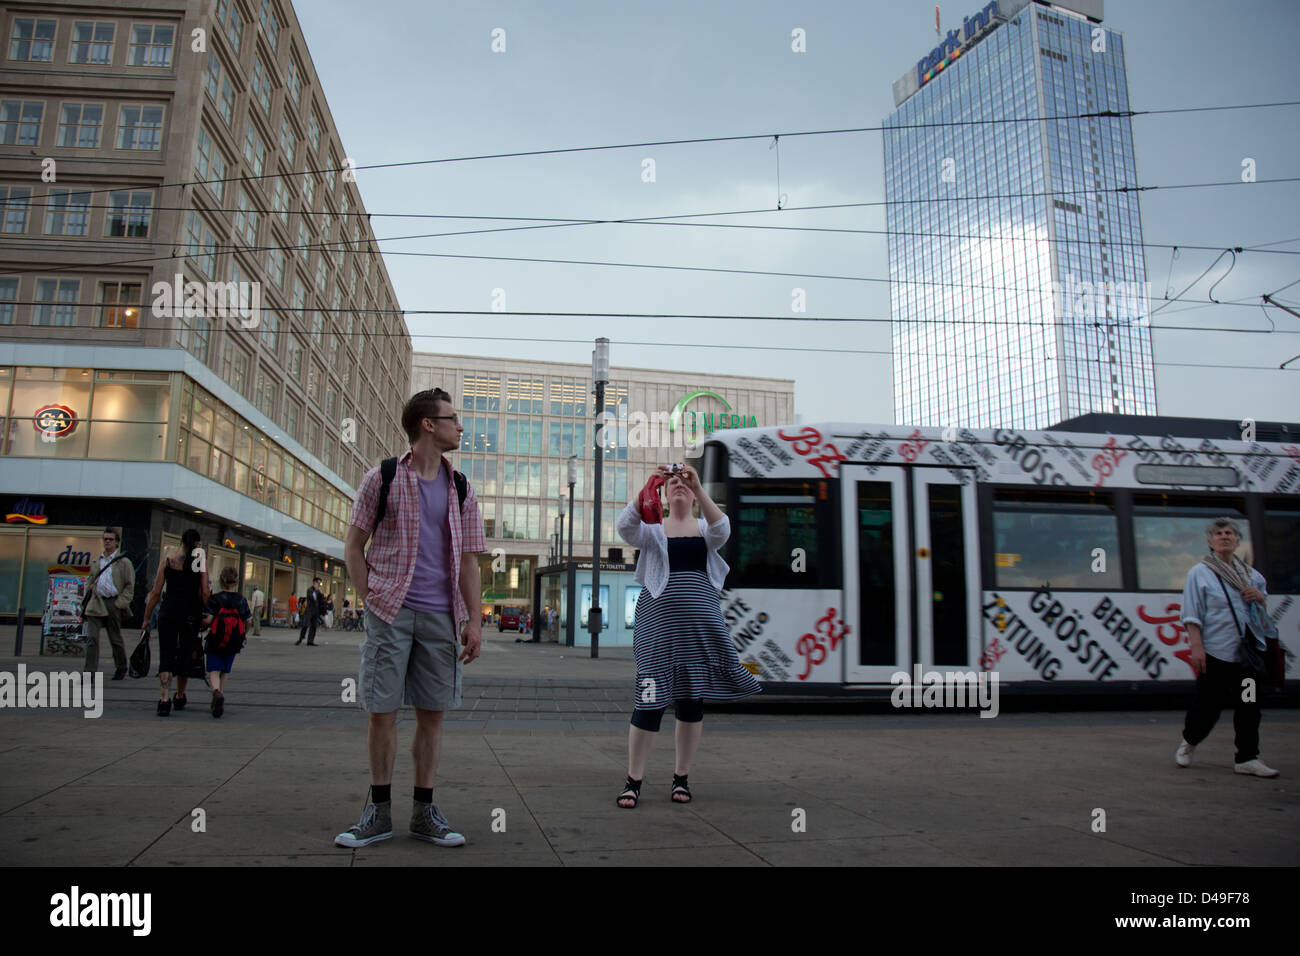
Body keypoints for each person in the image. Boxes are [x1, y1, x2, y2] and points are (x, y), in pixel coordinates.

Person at [335, 387, 486, 849]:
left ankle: (424, 812)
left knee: (432, 716)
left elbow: (468, 562)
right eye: (452, 418)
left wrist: (474, 621)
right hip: (391, 613)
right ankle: (378, 813)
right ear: (427, 425)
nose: (460, 426)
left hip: (442, 616)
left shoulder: (461, 487)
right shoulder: (380, 478)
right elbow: (353, 546)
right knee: (381, 712)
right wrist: (373, 600)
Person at [614, 464, 760, 807]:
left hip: (699, 632)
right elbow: (624, 527)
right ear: (664, 495)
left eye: (685, 484)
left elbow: (723, 529)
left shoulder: (706, 527)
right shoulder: (652, 530)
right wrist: (648, 485)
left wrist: (698, 484)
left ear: (694, 494)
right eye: (673, 484)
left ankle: (682, 778)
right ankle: (633, 780)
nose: (679, 486)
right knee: (648, 700)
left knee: (691, 702)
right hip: (657, 631)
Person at [1177, 517, 1279, 777]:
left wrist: (1260, 599)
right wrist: (1196, 646)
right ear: (1210, 542)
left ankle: (1247, 758)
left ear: (1237, 541)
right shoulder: (1199, 573)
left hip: (1247, 656)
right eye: (1219, 533)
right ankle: (1189, 742)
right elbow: (1191, 613)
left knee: (1249, 706)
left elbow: (1261, 609)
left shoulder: (1252, 575)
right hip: (1216, 653)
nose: (1225, 536)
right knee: (1207, 708)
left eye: (1230, 533)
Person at [141, 529, 210, 716]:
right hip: (190, 615)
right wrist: (207, 611)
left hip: (168, 612)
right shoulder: (198, 563)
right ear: (197, 544)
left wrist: (146, 618)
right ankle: (180, 695)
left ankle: (164, 699)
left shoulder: (168, 561)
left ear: (181, 542)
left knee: (167, 655)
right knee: (185, 654)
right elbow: (205, 592)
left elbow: (155, 593)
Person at [82, 526, 135, 681]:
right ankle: (89, 672)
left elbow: (130, 585)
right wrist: (90, 590)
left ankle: (121, 665)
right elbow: (90, 580)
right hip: (96, 602)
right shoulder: (96, 561)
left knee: (115, 638)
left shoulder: (124, 562)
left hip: (113, 603)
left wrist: (120, 603)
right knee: (92, 638)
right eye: (105, 539)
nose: (107, 542)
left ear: (117, 543)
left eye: (111, 539)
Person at [202, 566, 252, 718]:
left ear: (221, 581)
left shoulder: (215, 599)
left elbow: (208, 620)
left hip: (216, 639)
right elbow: (248, 621)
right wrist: (243, 633)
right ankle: (221, 694)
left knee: (214, 670)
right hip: (234, 641)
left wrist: (205, 624)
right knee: (225, 670)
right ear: (236, 582)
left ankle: (216, 693)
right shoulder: (241, 600)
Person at [297, 578, 323, 645]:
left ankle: (310, 641)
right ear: (314, 583)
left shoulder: (318, 591)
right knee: (306, 624)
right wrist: (315, 591)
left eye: (320, 584)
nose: (319, 585)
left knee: (314, 626)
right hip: (309, 610)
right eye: (318, 583)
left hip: (315, 611)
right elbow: (311, 597)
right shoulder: (310, 590)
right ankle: (301, 638)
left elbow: (320, 600)